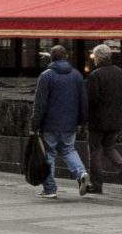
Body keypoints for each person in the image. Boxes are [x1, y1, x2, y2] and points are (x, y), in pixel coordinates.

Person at [31, 43, 93, 200]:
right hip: (70, 123)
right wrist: (82, 121)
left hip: (50, 124)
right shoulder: (77, 75)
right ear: (66, 56)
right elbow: (83, 101)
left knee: (49, 154)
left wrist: (34, 124)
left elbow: (40, 104)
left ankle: (50, 189)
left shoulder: (46, 76)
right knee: (68, 150)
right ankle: (81, 173)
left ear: (51, 58)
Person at [85, 43, 122, 191]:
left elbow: (91, 99)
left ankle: (97, 184)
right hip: (115, 118)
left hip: (97, 120)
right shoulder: (120, 72)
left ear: (98, 57)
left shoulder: (95, 75)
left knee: (95, 151)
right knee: (109, 147)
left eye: (95, 57)